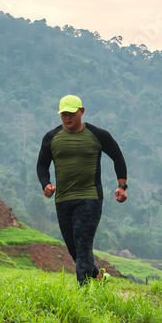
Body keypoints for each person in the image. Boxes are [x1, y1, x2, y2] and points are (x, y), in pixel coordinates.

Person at [36, 94, 127, 285]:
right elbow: (42, 165)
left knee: (83, 244)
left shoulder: (98, 135)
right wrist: (46, 184)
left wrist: (122, 186)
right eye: (63, 115)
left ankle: (84, 293)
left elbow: (117, 157)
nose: (67, 118)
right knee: (73, 249)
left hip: (90, 197)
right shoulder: (51, 137)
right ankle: (100, 277)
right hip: (62, 199)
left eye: (71, 114)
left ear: (82, 111)